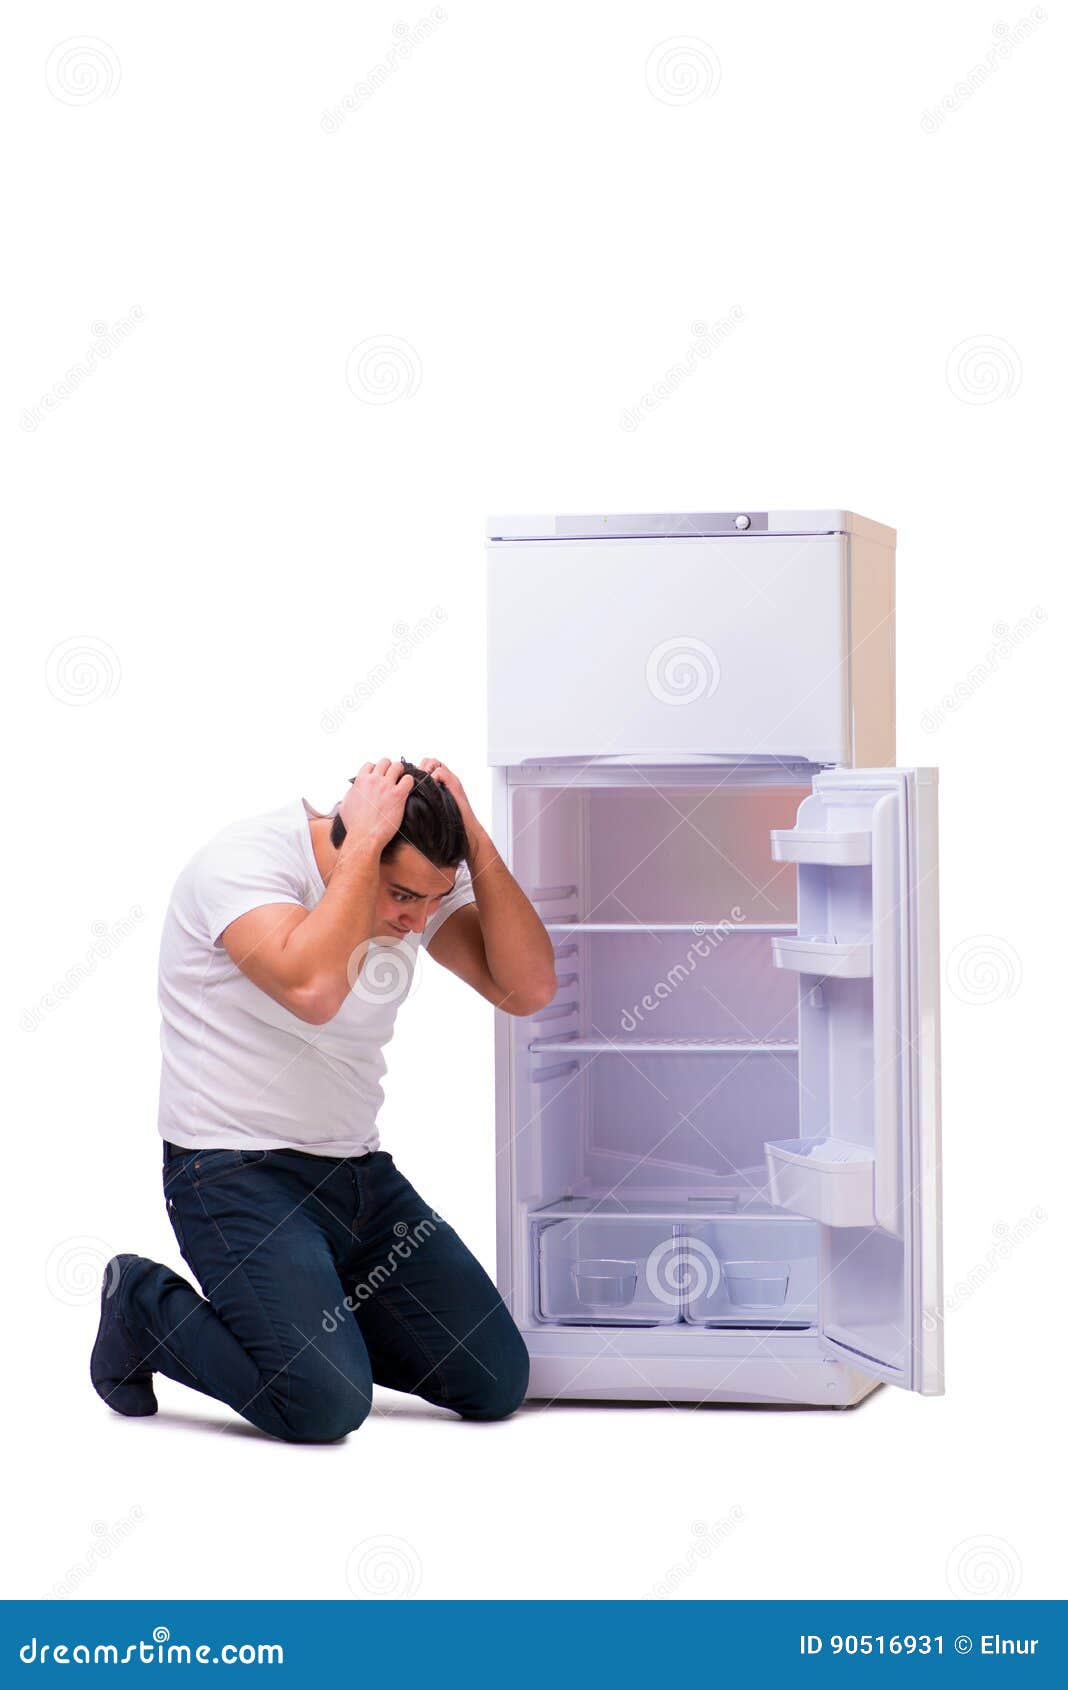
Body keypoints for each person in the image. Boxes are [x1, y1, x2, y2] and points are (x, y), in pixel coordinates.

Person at [90, 756, 557, 1443]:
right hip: (232, 1175)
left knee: (495, 1380)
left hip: (359, 1180)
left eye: (433, 899)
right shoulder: (246, 863)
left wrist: (475, 837)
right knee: (323, 1404)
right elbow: (312, 990)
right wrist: (364, 844)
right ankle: (139, 1305)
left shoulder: (417, 884)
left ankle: (313, 1318)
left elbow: (528, 988)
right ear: (353, 840)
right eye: (403, 896)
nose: (417, 920)